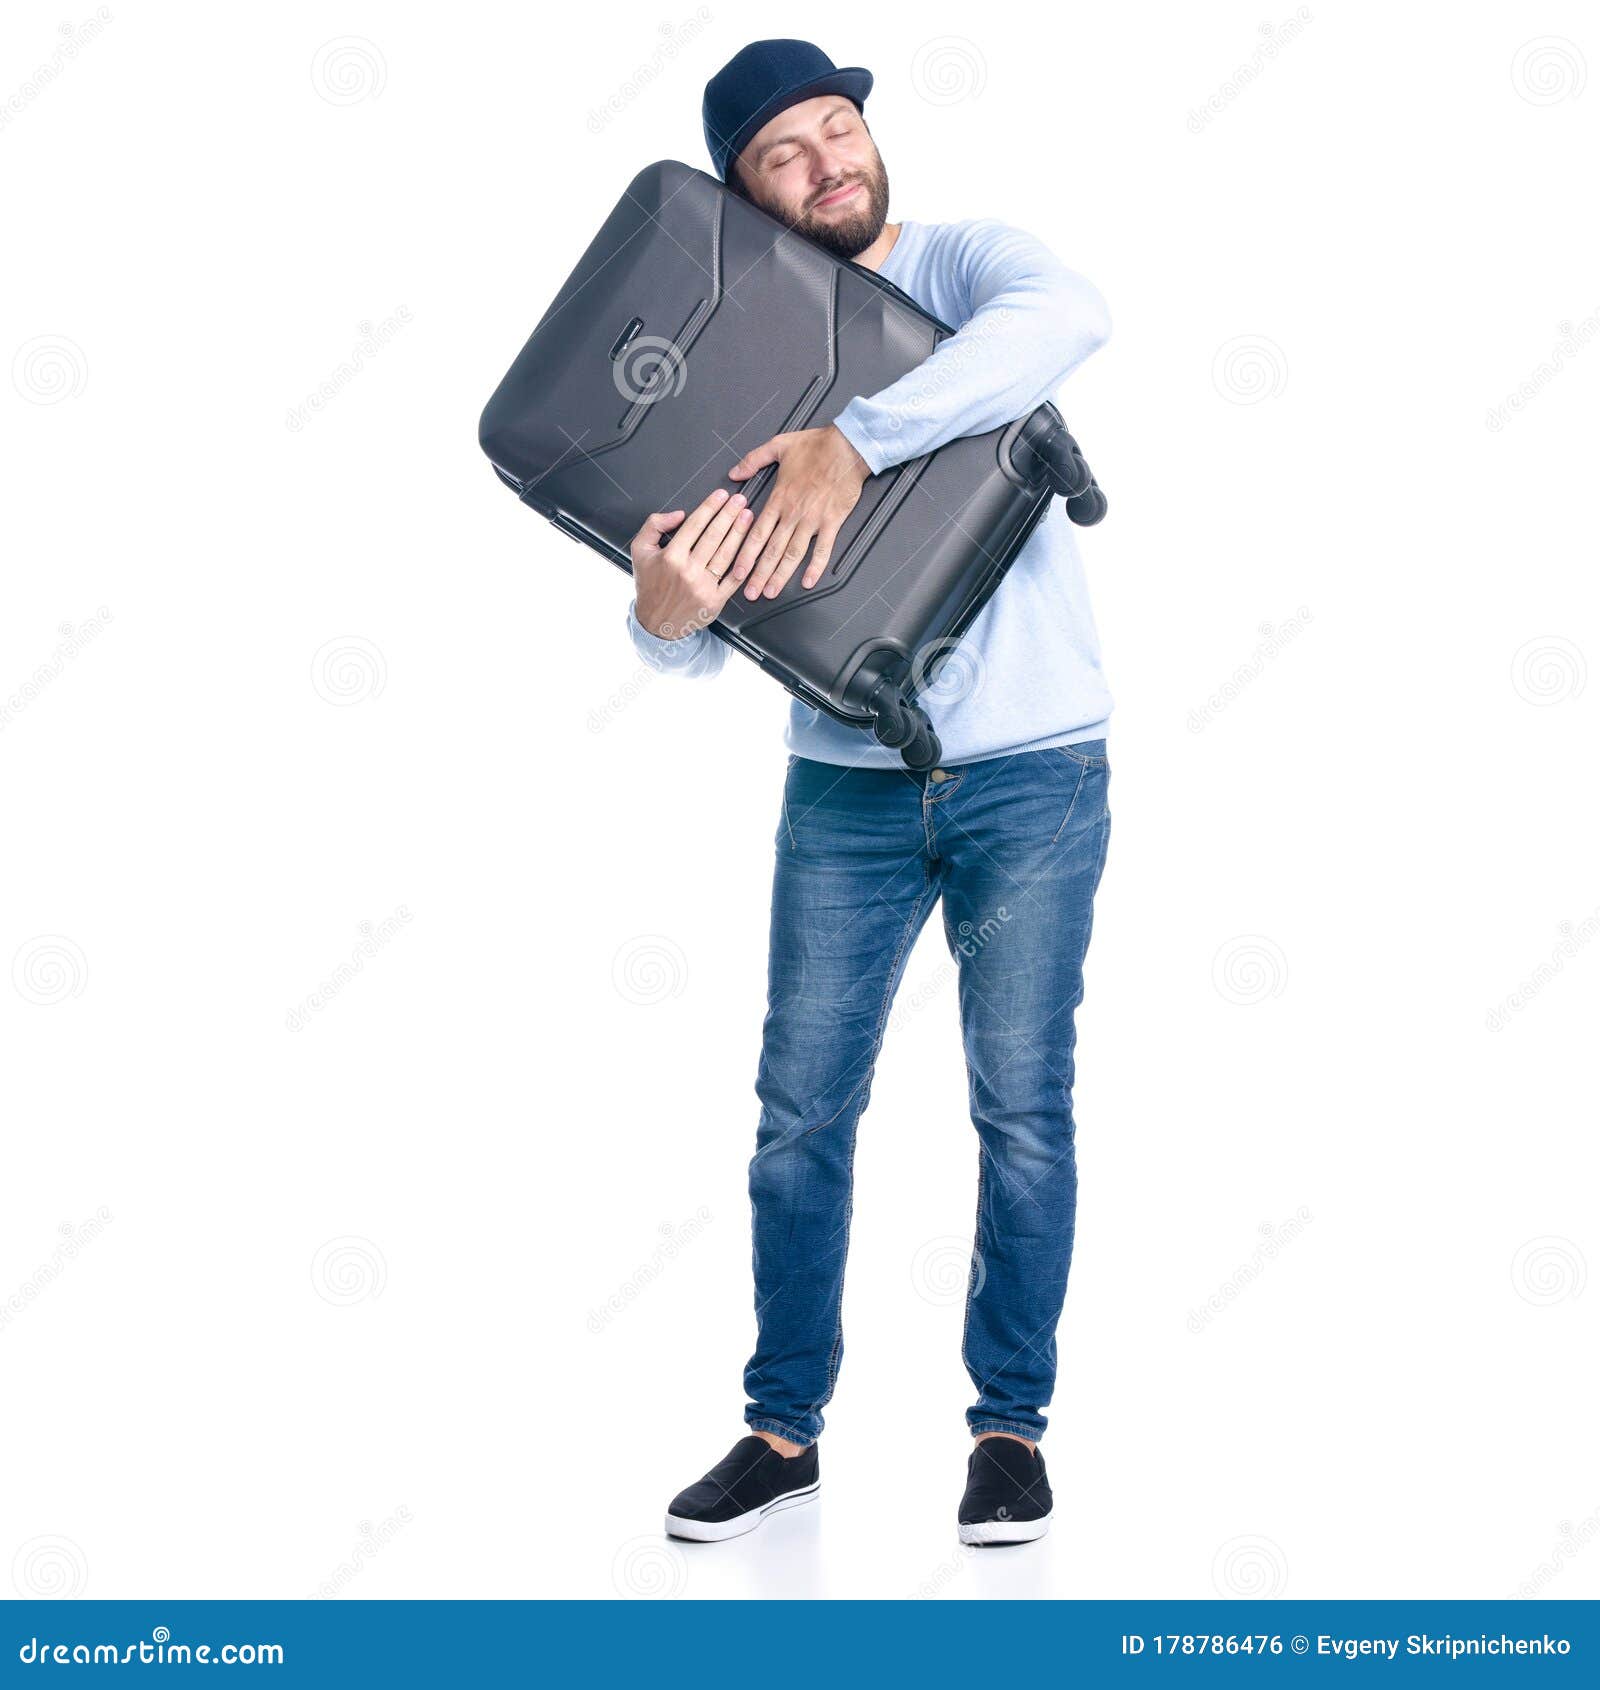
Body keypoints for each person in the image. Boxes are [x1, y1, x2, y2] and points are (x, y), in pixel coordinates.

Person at [631, 39, 1113, 1546]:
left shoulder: (967, 266)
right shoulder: (730, 353)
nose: (831, 157)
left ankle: (1009, 1431)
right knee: (797, 1114)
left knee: (1021, 1107)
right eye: (788, 150)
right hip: (843, 785)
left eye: (842, 126)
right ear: (744, 194)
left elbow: (1072, 317)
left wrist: (855, 436)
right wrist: (660, 625)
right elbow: (714, 609)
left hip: (1034, 768)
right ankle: (783, 1431)